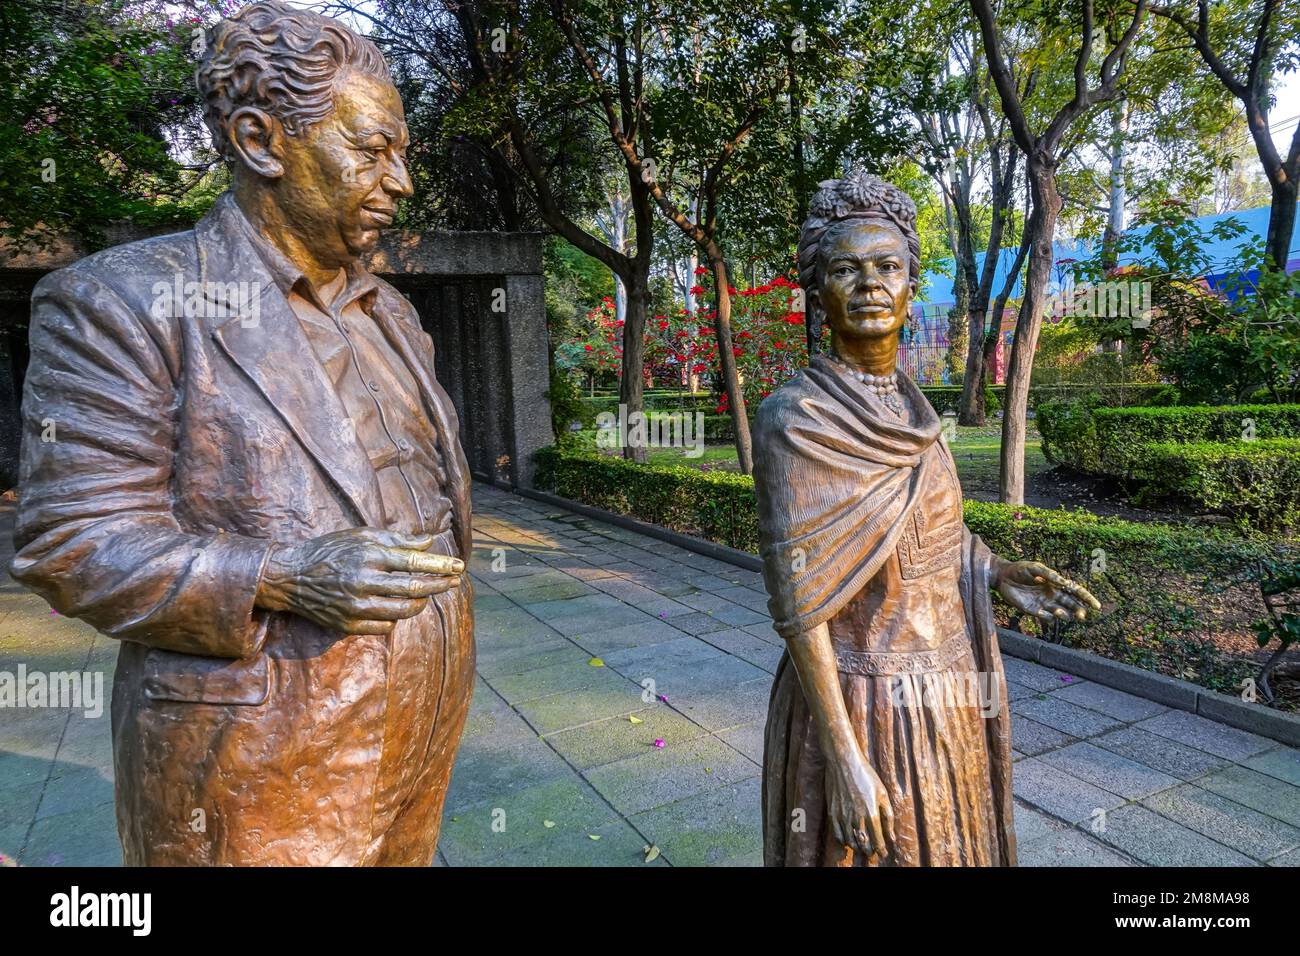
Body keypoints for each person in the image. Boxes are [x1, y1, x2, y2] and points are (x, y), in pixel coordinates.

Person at [10, 1, 474, 865]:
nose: (402, 180)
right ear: (263, 142)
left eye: (402, 152)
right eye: (372, 150)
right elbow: (71, 542)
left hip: (422, 727)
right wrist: (284, 576)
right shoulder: (126, 302)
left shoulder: (395, 314)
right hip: (256, 768)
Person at [753, 171, 1100, 867]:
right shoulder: (797, 418)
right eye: (845, 270)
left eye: (888, 267)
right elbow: (801, 606)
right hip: (862, 702)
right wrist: (846, 759)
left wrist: (993, 569)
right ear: (817, 294)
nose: (870, 283)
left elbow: (922, 538)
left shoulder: (919, 415)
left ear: (912, 286)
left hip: (947, 691)